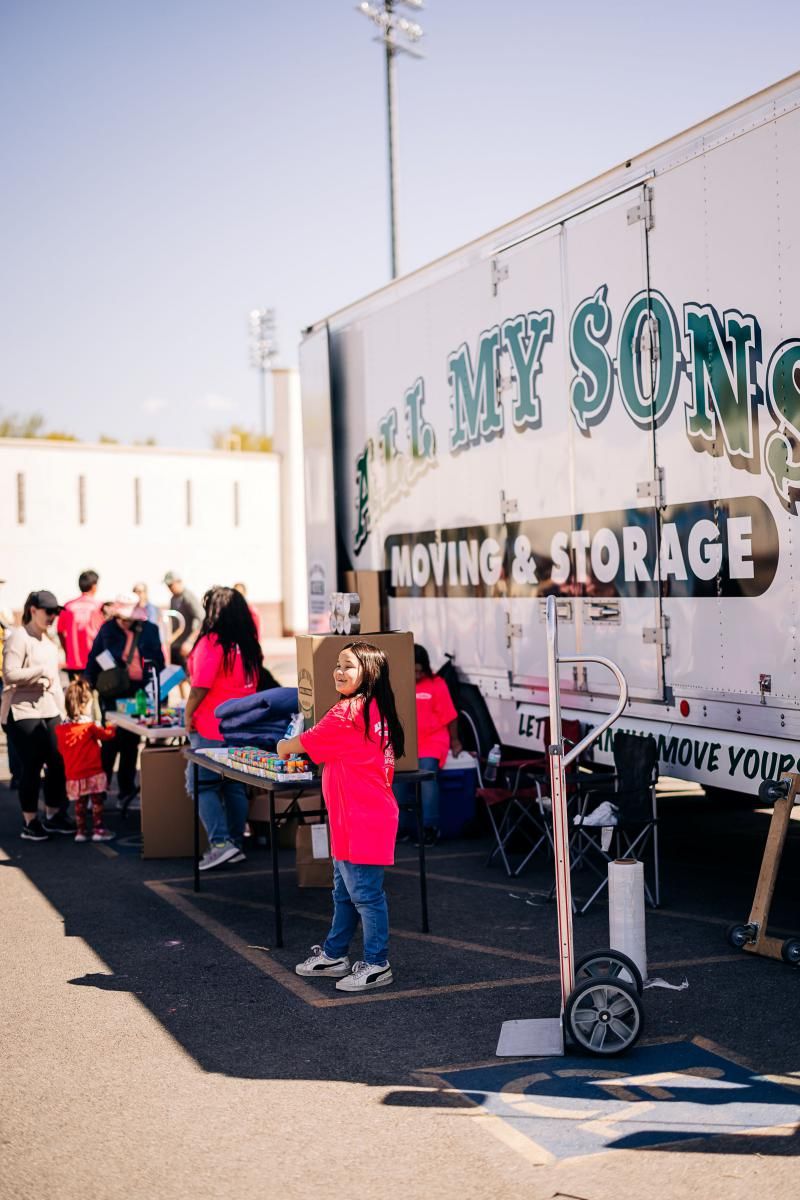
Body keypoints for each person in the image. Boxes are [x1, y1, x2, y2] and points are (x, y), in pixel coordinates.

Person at [278, 641, 404, 994]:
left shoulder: (349, 711)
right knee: (345, 892)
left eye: (347, 665)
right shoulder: (374, 707)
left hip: (361, 818)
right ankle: (335, 953)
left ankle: (377, 963)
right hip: (357, 815)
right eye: (337, 664)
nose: (338, 671)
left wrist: (282, 746)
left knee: (365, 895)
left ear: (368, 672)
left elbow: (307, 741)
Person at [184, 586, 262, 870]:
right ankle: (234, 843)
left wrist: (187, 715)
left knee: (201, 785)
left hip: (211, 727)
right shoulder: (248, 642)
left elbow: (200, 686)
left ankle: (220, 844)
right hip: (243, 727)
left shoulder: (213, 642)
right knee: (234, 786)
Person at [0, 590, 74, 840]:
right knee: (32, 765)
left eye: (56, 612)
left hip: (48, 708)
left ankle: (54, 814)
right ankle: (30, 821)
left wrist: (64, 712)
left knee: (57, 761)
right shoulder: (19, 638)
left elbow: (53, 682)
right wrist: (39, 670)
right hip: (21, 710)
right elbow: (9, 674)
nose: (53, 616)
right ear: (33, 610)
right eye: (48, 611)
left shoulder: (49, 642)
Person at [86, 593, 164, 807]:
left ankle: (126, 793)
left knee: (130, 743)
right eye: (120, 618)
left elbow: (159, 661)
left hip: (140, 691)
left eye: (128, 618)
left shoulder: (150, 630)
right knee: (110, 741)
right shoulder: (107, 629)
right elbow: (94, 657)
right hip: (112, 691)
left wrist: (157, 691)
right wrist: (88, 684)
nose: (124, 622)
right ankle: (99, 792)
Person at [395, 644, 462, 846]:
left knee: (427, 775)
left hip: (432, 740)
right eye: (412, 670)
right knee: (397, 779)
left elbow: (450, 716)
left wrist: (456, 740)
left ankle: (429, 828)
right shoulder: (398, 685)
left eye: (420, 670)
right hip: (407, 742)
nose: (416, 675)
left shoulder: (437, 684)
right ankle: (401, 828)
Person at [55, 679, 116, 842]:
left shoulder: (61, 729)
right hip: (93, 771)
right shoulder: (89, 727)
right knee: (96, 803)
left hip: (74, 773)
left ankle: (80, 831)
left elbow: (61, 750)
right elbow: (107, 735)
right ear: (83, 705)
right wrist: (112, 727)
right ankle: (98, 830)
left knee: (79, 804)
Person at [57, 570, 104, 680]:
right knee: (93, 695)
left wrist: (68, 652)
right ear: (94, 586)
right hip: (95, 661)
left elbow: (60, 632)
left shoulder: (67, 607)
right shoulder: (99, 607)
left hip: (73, 662)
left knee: (75, 695)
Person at [163, 572, 203, 665]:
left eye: (171, 585)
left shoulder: (188, 597)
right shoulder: (173, 598)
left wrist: (190, 641)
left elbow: (201, 618)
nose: (169, 588)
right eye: (168, 586)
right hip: (175, 645)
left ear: (179, 582)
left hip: (185, 647)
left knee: (187, 676)